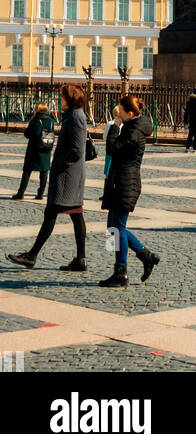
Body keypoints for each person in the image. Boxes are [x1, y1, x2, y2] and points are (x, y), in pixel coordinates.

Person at [8, 83, 88, 272]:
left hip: (67, 175)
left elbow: (77, 150)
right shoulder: (75, 115)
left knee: (52, 212)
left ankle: (32, 256)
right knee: (76, 215)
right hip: (70, 174)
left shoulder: (76, 117)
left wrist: (59, 165)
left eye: (63, 97)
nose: (61, 100)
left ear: (70, 99)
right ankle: (81, 259)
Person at [98, 95, 160, 287]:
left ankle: (121, 272)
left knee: (118, 227)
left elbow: (112, 148)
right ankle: (145, 256)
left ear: (130, 113)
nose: (118, 113)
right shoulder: (133, 127)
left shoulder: (133, 131)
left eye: (121, 111)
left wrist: (115, 127)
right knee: (113, 227)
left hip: (126, 183)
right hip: (121, 181)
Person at [12, 101, 55, 201]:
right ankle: (40, 194)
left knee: (27, 171)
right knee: (44, 172)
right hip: (46, 149)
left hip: (34, 150)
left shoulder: (36, 120)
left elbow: (27, 134)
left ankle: (20, 193)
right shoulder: (51, 121)